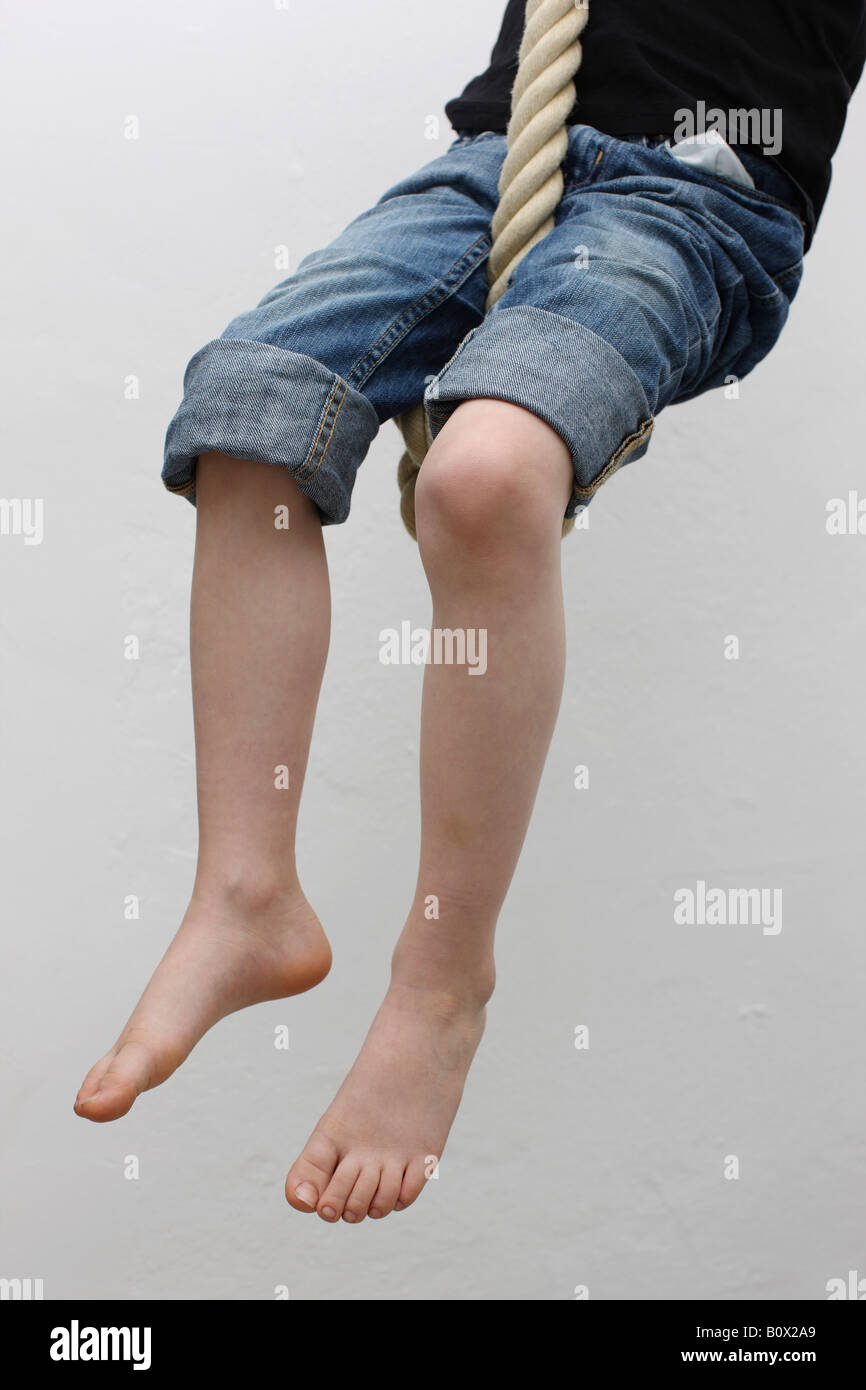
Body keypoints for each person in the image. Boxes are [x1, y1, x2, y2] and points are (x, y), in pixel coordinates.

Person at [74, 1, 865, 1225]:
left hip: (705, 184)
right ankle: (244, 895)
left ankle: (441, 986)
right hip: (495, 160)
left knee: (484, 478)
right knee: (246, 405)